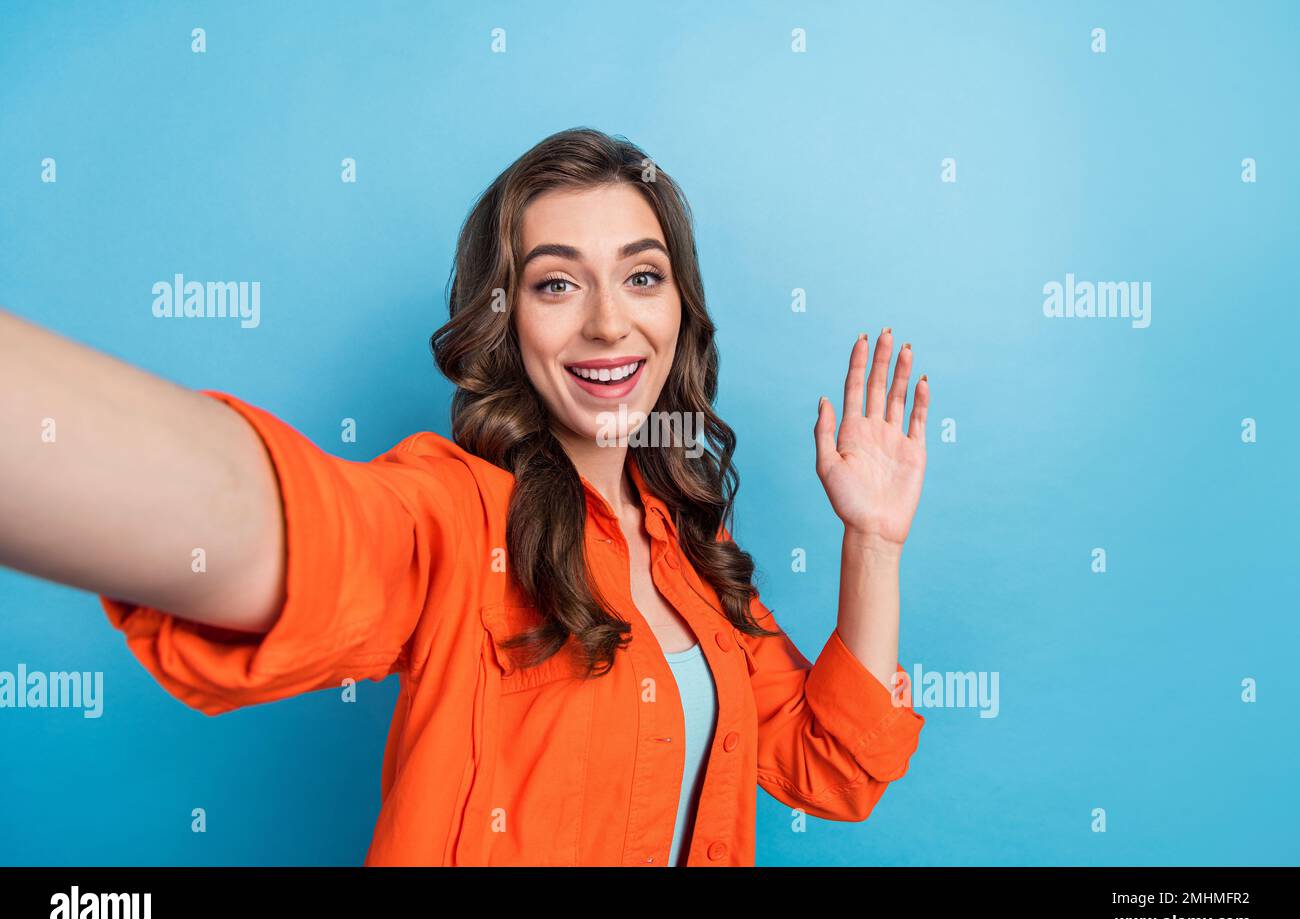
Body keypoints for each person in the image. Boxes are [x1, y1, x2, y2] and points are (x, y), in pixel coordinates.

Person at [0, 127, 930, 866]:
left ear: (679, 307)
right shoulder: (459, 515)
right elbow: (286, 526)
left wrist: (873, 542)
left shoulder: (689, 549)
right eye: (556, 283)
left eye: (642, 276)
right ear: (503, 316)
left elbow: (831, 767)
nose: (609, 321)